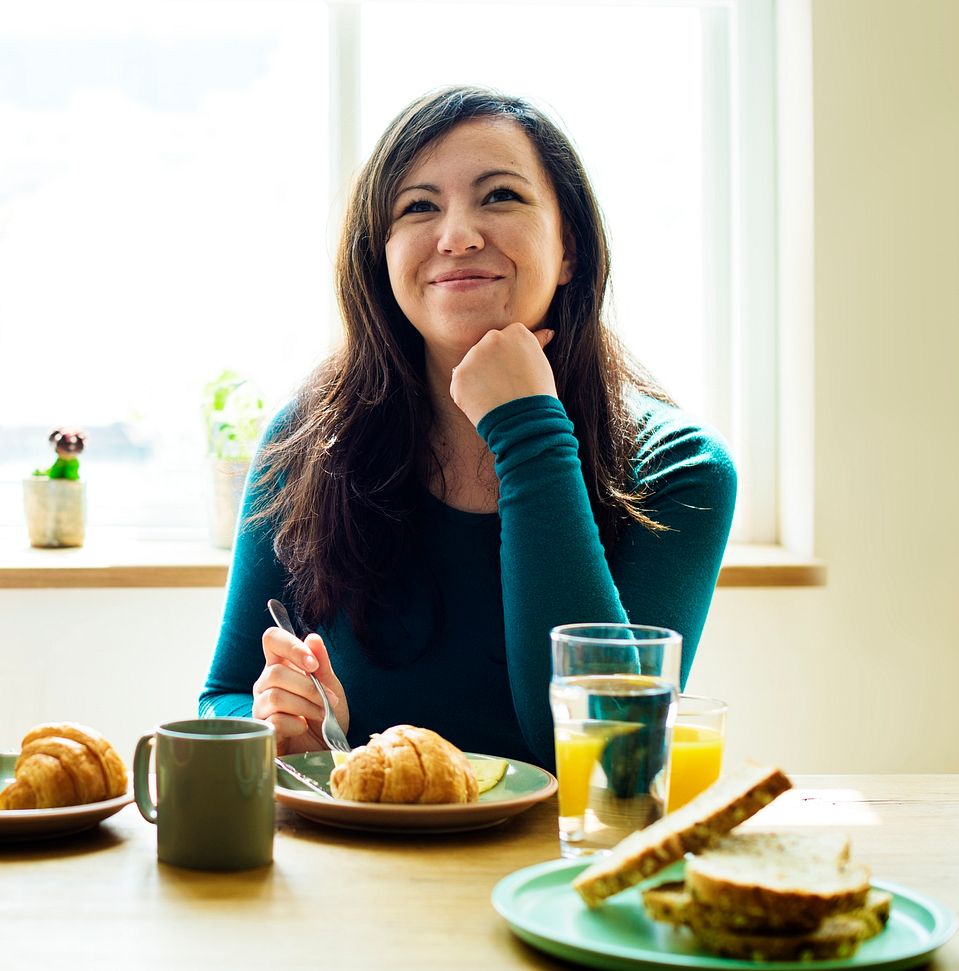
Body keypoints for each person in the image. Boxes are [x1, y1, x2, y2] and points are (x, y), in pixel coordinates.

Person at [199, 85, 736, 770]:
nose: (456, 236)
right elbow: (221, 697)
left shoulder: (680, 467)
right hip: (363, 861)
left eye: (501, 196)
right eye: (418, 206)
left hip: (561, 869)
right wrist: (279, 726)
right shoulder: (305, 440)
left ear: (570, 247)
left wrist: (528, 430)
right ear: (382, 256)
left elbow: (607, 760)